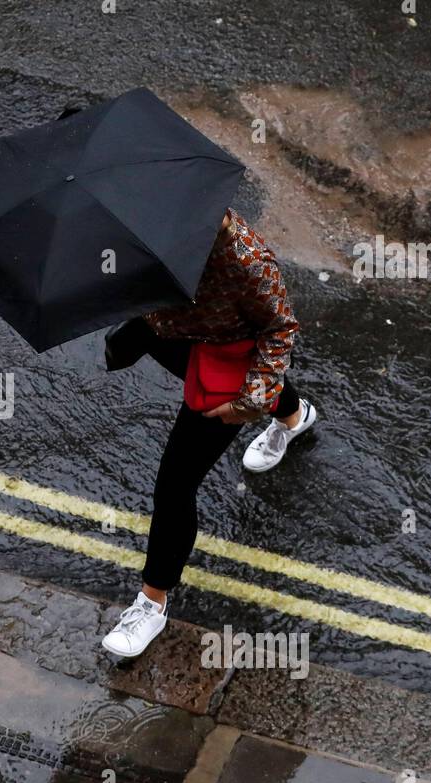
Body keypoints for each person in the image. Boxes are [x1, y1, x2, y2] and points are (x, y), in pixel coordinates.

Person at [100, 207, 317, 658]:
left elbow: (279, 332)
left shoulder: (248, 261)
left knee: (175, 484)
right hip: (175, 331)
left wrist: (248, 402)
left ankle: (152, 603)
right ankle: (295, 417)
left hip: (223, 356)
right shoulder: (153, 230)